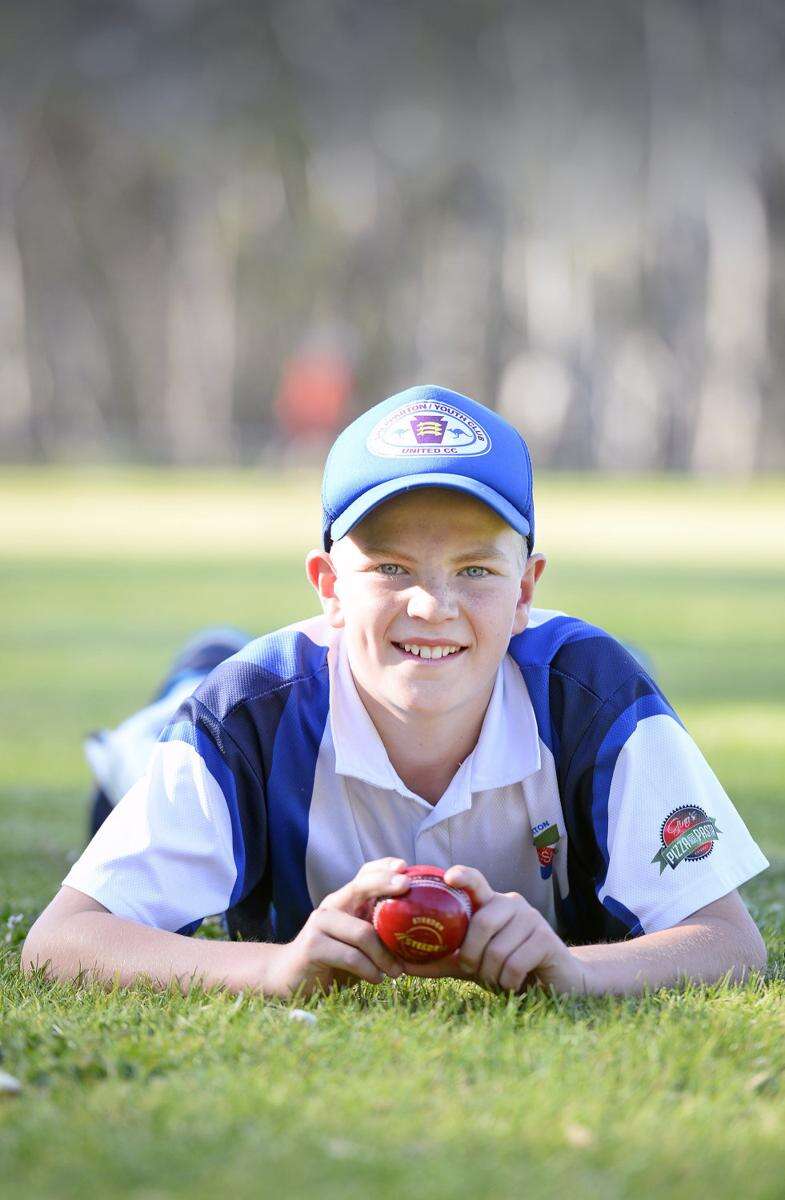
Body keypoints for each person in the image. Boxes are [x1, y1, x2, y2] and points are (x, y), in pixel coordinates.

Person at [22, 385, 769, 998]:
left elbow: (729, 940)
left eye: (476, 570)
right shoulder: (247, 713)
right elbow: (60, 942)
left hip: (546, 681)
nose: (432, 605)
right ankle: (187, 676)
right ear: (329, 588)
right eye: (390, 568)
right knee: (152, 748)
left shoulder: (596, 697)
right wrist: (275, 968)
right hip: (232, 705)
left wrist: (578, 971)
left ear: (525, 592)